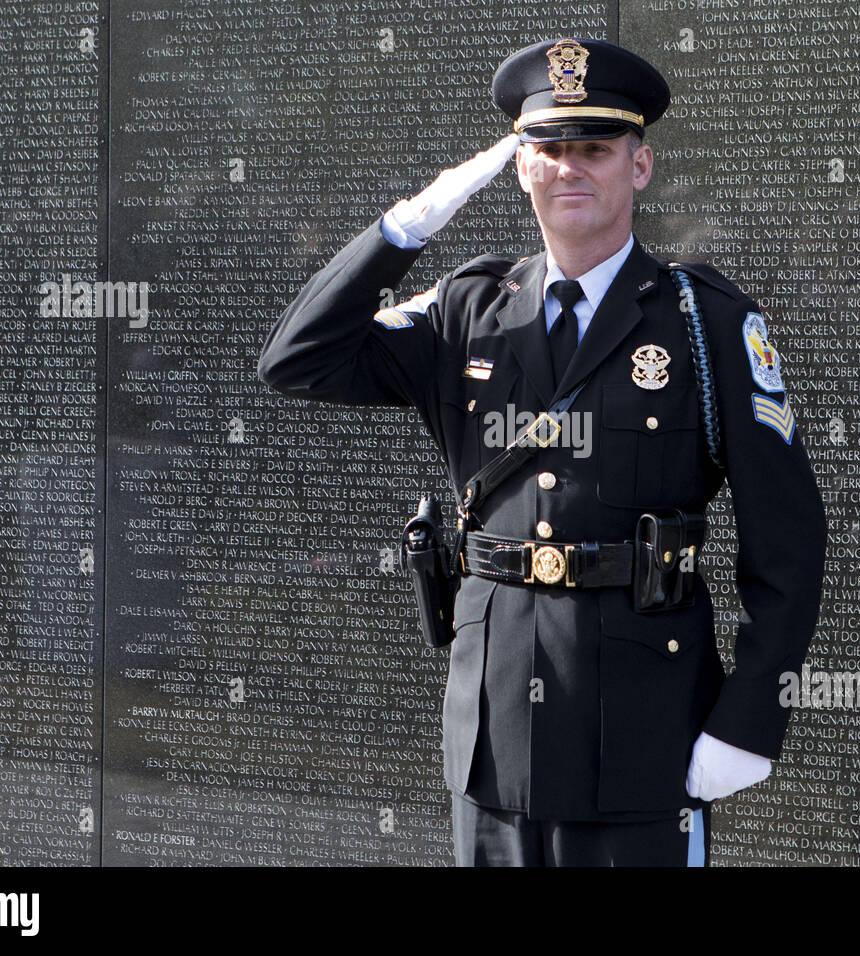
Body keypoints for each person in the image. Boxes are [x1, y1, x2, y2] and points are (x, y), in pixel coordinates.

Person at [258, 37, 827, 866]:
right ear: (520, 168)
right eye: (549, 150)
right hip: (496, 737)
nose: (570, 170)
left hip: (647, 738)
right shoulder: (469, 310)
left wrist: (748, 722)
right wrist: (406, 225)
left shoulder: (704, 324)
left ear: (639, 166)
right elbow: (296, 361)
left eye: (595, 149)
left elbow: (789, 540)